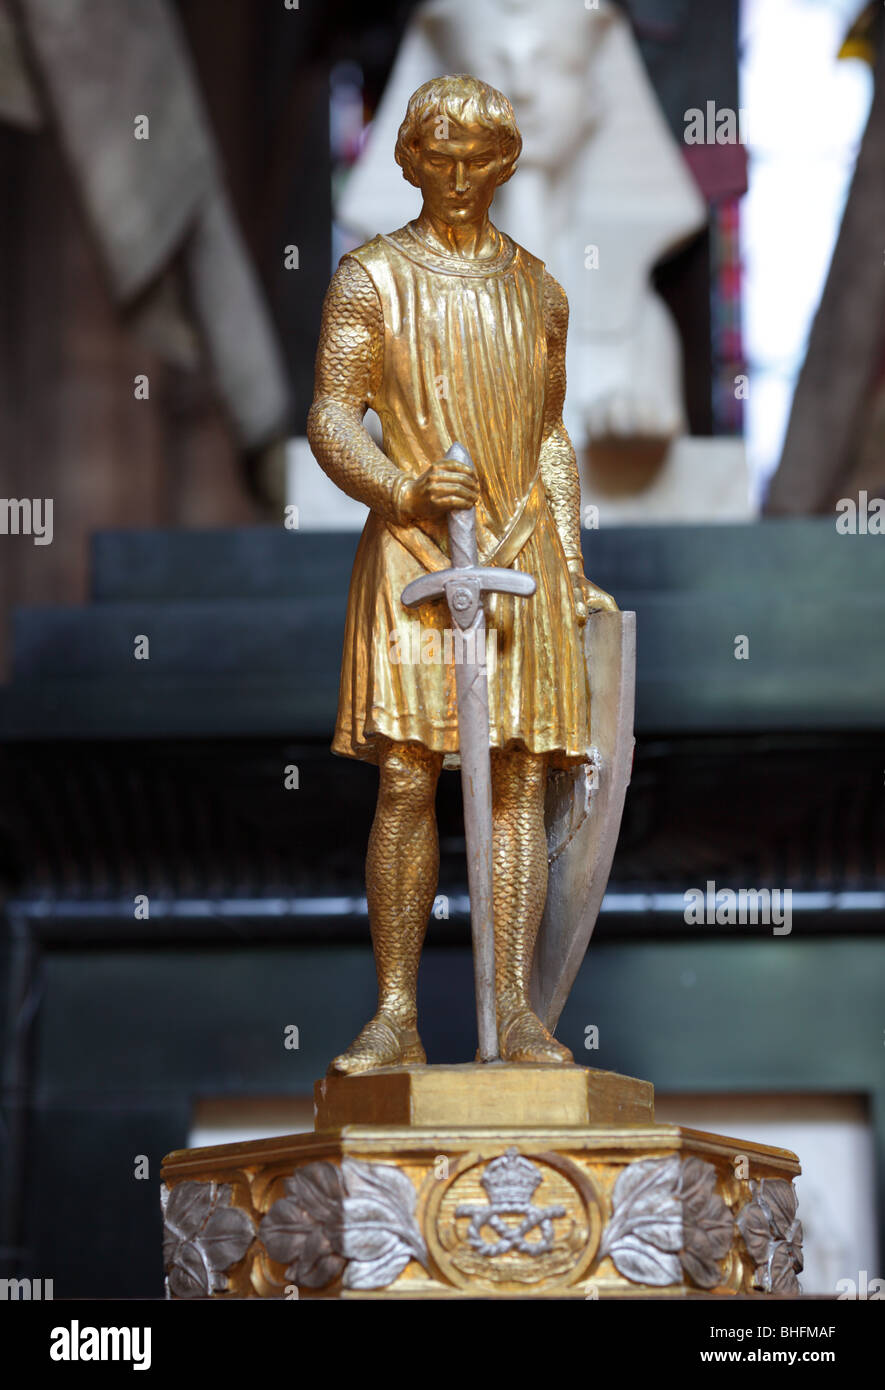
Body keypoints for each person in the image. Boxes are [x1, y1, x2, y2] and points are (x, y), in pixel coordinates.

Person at [308, 75, 617, 1075]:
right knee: (406, 775)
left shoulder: (538, 291)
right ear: (406, 159)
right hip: (414, 548)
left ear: (504, 164)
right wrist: (402, 487)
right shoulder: (371, 276)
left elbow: (550, 437)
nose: (455, 175)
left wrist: (570, 564)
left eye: (477, 159)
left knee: (519, 777)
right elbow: (329, 415)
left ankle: (512, 1013)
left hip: (518, 549)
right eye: (436, 156)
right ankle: (396, 1011)